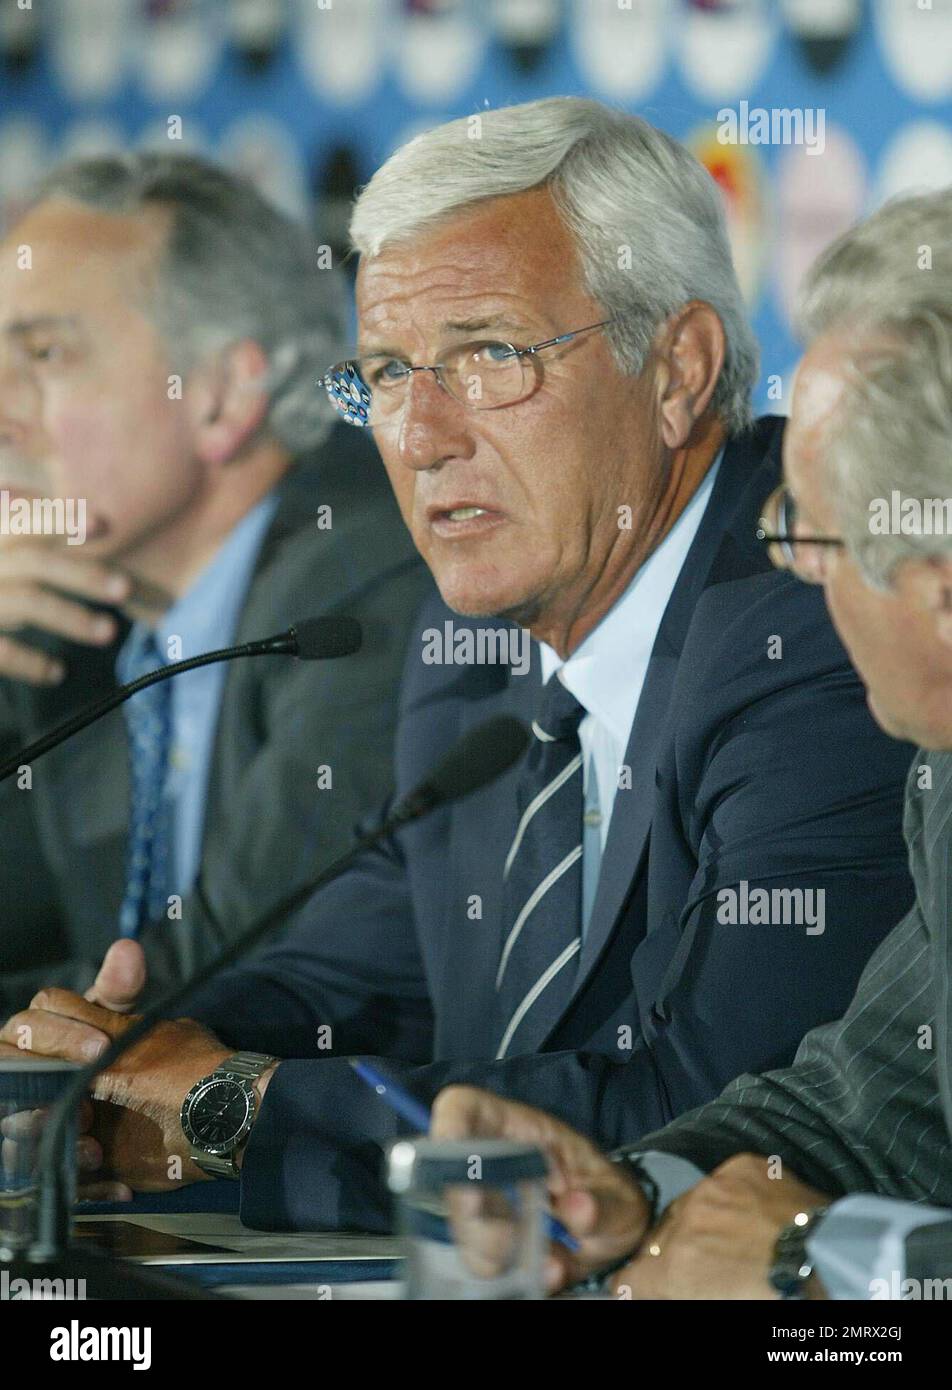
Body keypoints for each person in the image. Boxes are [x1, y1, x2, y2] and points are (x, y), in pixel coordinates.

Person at [2, 101, 914, 1229]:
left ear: (678, 369)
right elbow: (342, 982)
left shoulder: (815, 623)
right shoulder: (472, 640)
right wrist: (105, 1066)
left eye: (489, 354)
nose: (421, 434)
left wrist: (229, 1110)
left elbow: (712, 1115)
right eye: (385, 370)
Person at [430, 187, 952, 1300]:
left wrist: (834, 1265)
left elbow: (844, 1242)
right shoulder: (943, 776)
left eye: (806, 532)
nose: (795, 572)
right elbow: (868, 1103)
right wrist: (634, 1187)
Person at [0, 152, 430, 1010]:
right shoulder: (74, 609)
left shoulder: (363, 587)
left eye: (43, 354)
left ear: (225, 397)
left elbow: (216, 987)